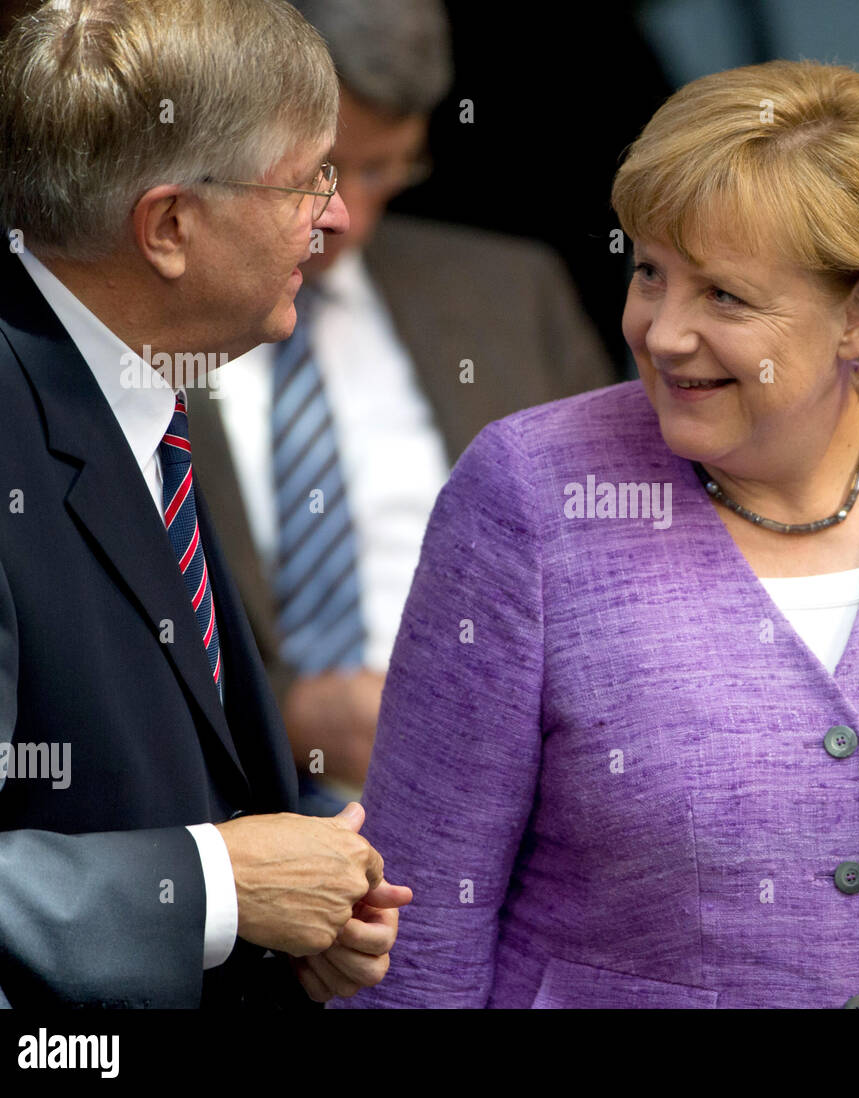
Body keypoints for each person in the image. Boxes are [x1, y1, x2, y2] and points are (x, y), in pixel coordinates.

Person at [332, 59, 859, 1009]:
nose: (663, 331)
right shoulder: (527, 492)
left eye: (723, 296)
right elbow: (419, 924)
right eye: (650, 273)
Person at [0, 0, 409, 1007]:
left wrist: (308, 893)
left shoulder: (123, 376)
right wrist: (214, 890)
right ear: (168, 227)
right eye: (308, 179)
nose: (336, 216)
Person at [187, 0, 615, 815]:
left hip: (525, 785)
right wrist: (285, 712)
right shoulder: (144, 311)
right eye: (317, 170)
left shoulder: (510, 295)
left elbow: (619, 562)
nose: (344, 214)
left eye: (384, 169)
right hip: (238, 813)